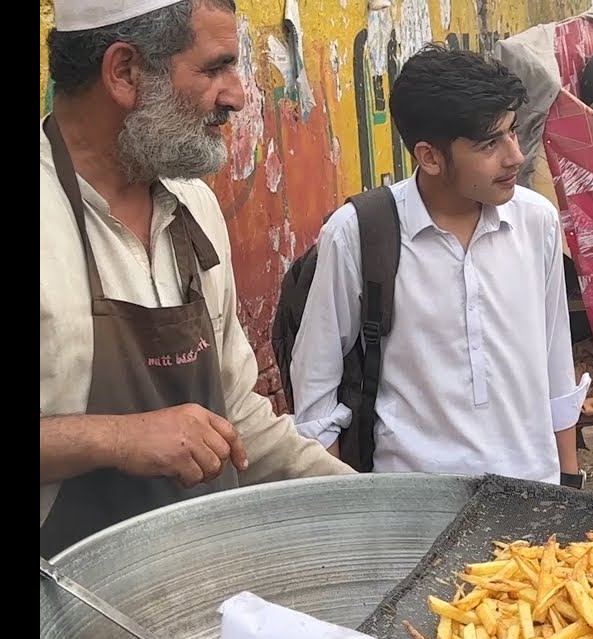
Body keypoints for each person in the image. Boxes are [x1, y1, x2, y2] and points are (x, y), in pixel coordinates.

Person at [38, 0, 355, 559]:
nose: (236, 96)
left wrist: (370, 501)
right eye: (214, 68)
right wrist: (118, 438)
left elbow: (235, 414)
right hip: (63, 611)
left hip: (201, 586)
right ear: (125, 72)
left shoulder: (194, 205)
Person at [289, 45, 589, 487]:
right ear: (430, 156)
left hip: (531, 495)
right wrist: (349, 509)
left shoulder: (535, 221)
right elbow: (315, 392)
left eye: (513, 132)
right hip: (413, 507)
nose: (515, 156)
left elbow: (555, 363)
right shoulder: (359, 233)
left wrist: (570, 484)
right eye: (490, 143)